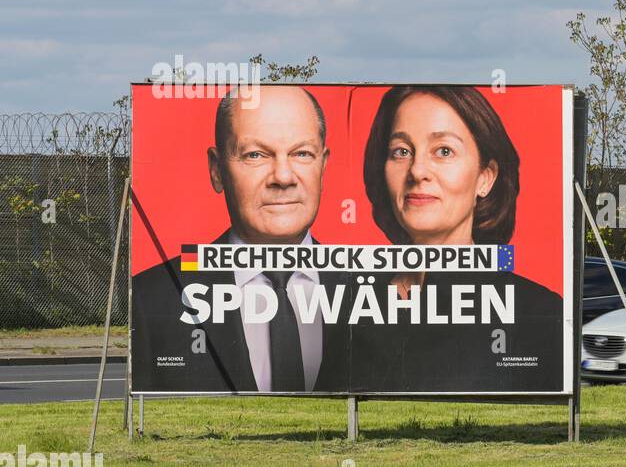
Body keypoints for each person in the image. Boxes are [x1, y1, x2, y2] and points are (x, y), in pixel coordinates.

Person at [132, 85, 350, 393]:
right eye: (256, 155)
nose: (283, 177)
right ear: (217, 170)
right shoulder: (151, 297)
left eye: (302, 153)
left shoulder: (375, 290)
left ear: (323, 166)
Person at [352, 85, 564, 393]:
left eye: (444, 151)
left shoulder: (537, 312)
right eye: (401, 151)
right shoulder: (346, 303)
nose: (418, 171)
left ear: (485, 177)